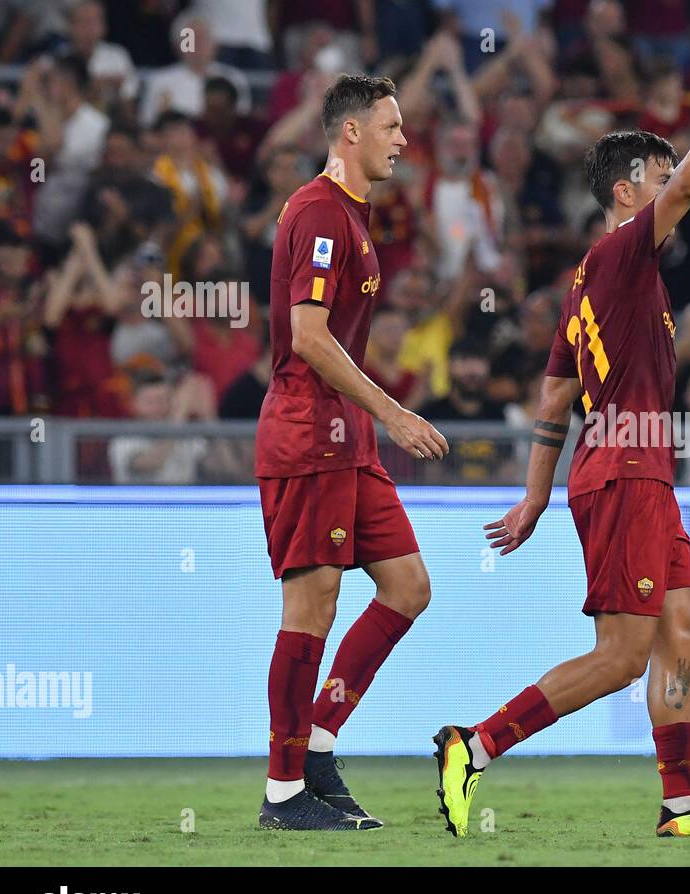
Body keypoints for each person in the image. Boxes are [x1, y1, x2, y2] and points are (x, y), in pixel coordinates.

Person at [435, 29, 690, 840]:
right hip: (627, 466)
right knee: (623, 655)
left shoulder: (592, 284)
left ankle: (683, 804)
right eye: (662, 178)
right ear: (631, 191)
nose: (674, 189)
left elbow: (556, 391)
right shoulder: (624, 256)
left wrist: (532, 495)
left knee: (681, 632)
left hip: (635, 466)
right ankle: (475, 744)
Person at [254, 74, 450, 831]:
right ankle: (282, 794)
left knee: (407, 586)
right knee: (311, 608)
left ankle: (318, 746)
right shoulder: (319, 214)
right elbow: (307, 336)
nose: (404, 139)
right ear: (351, 133)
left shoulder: (356, 216)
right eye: (392, 126)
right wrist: (394, 411)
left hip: (348, 438)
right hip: (310, 433)